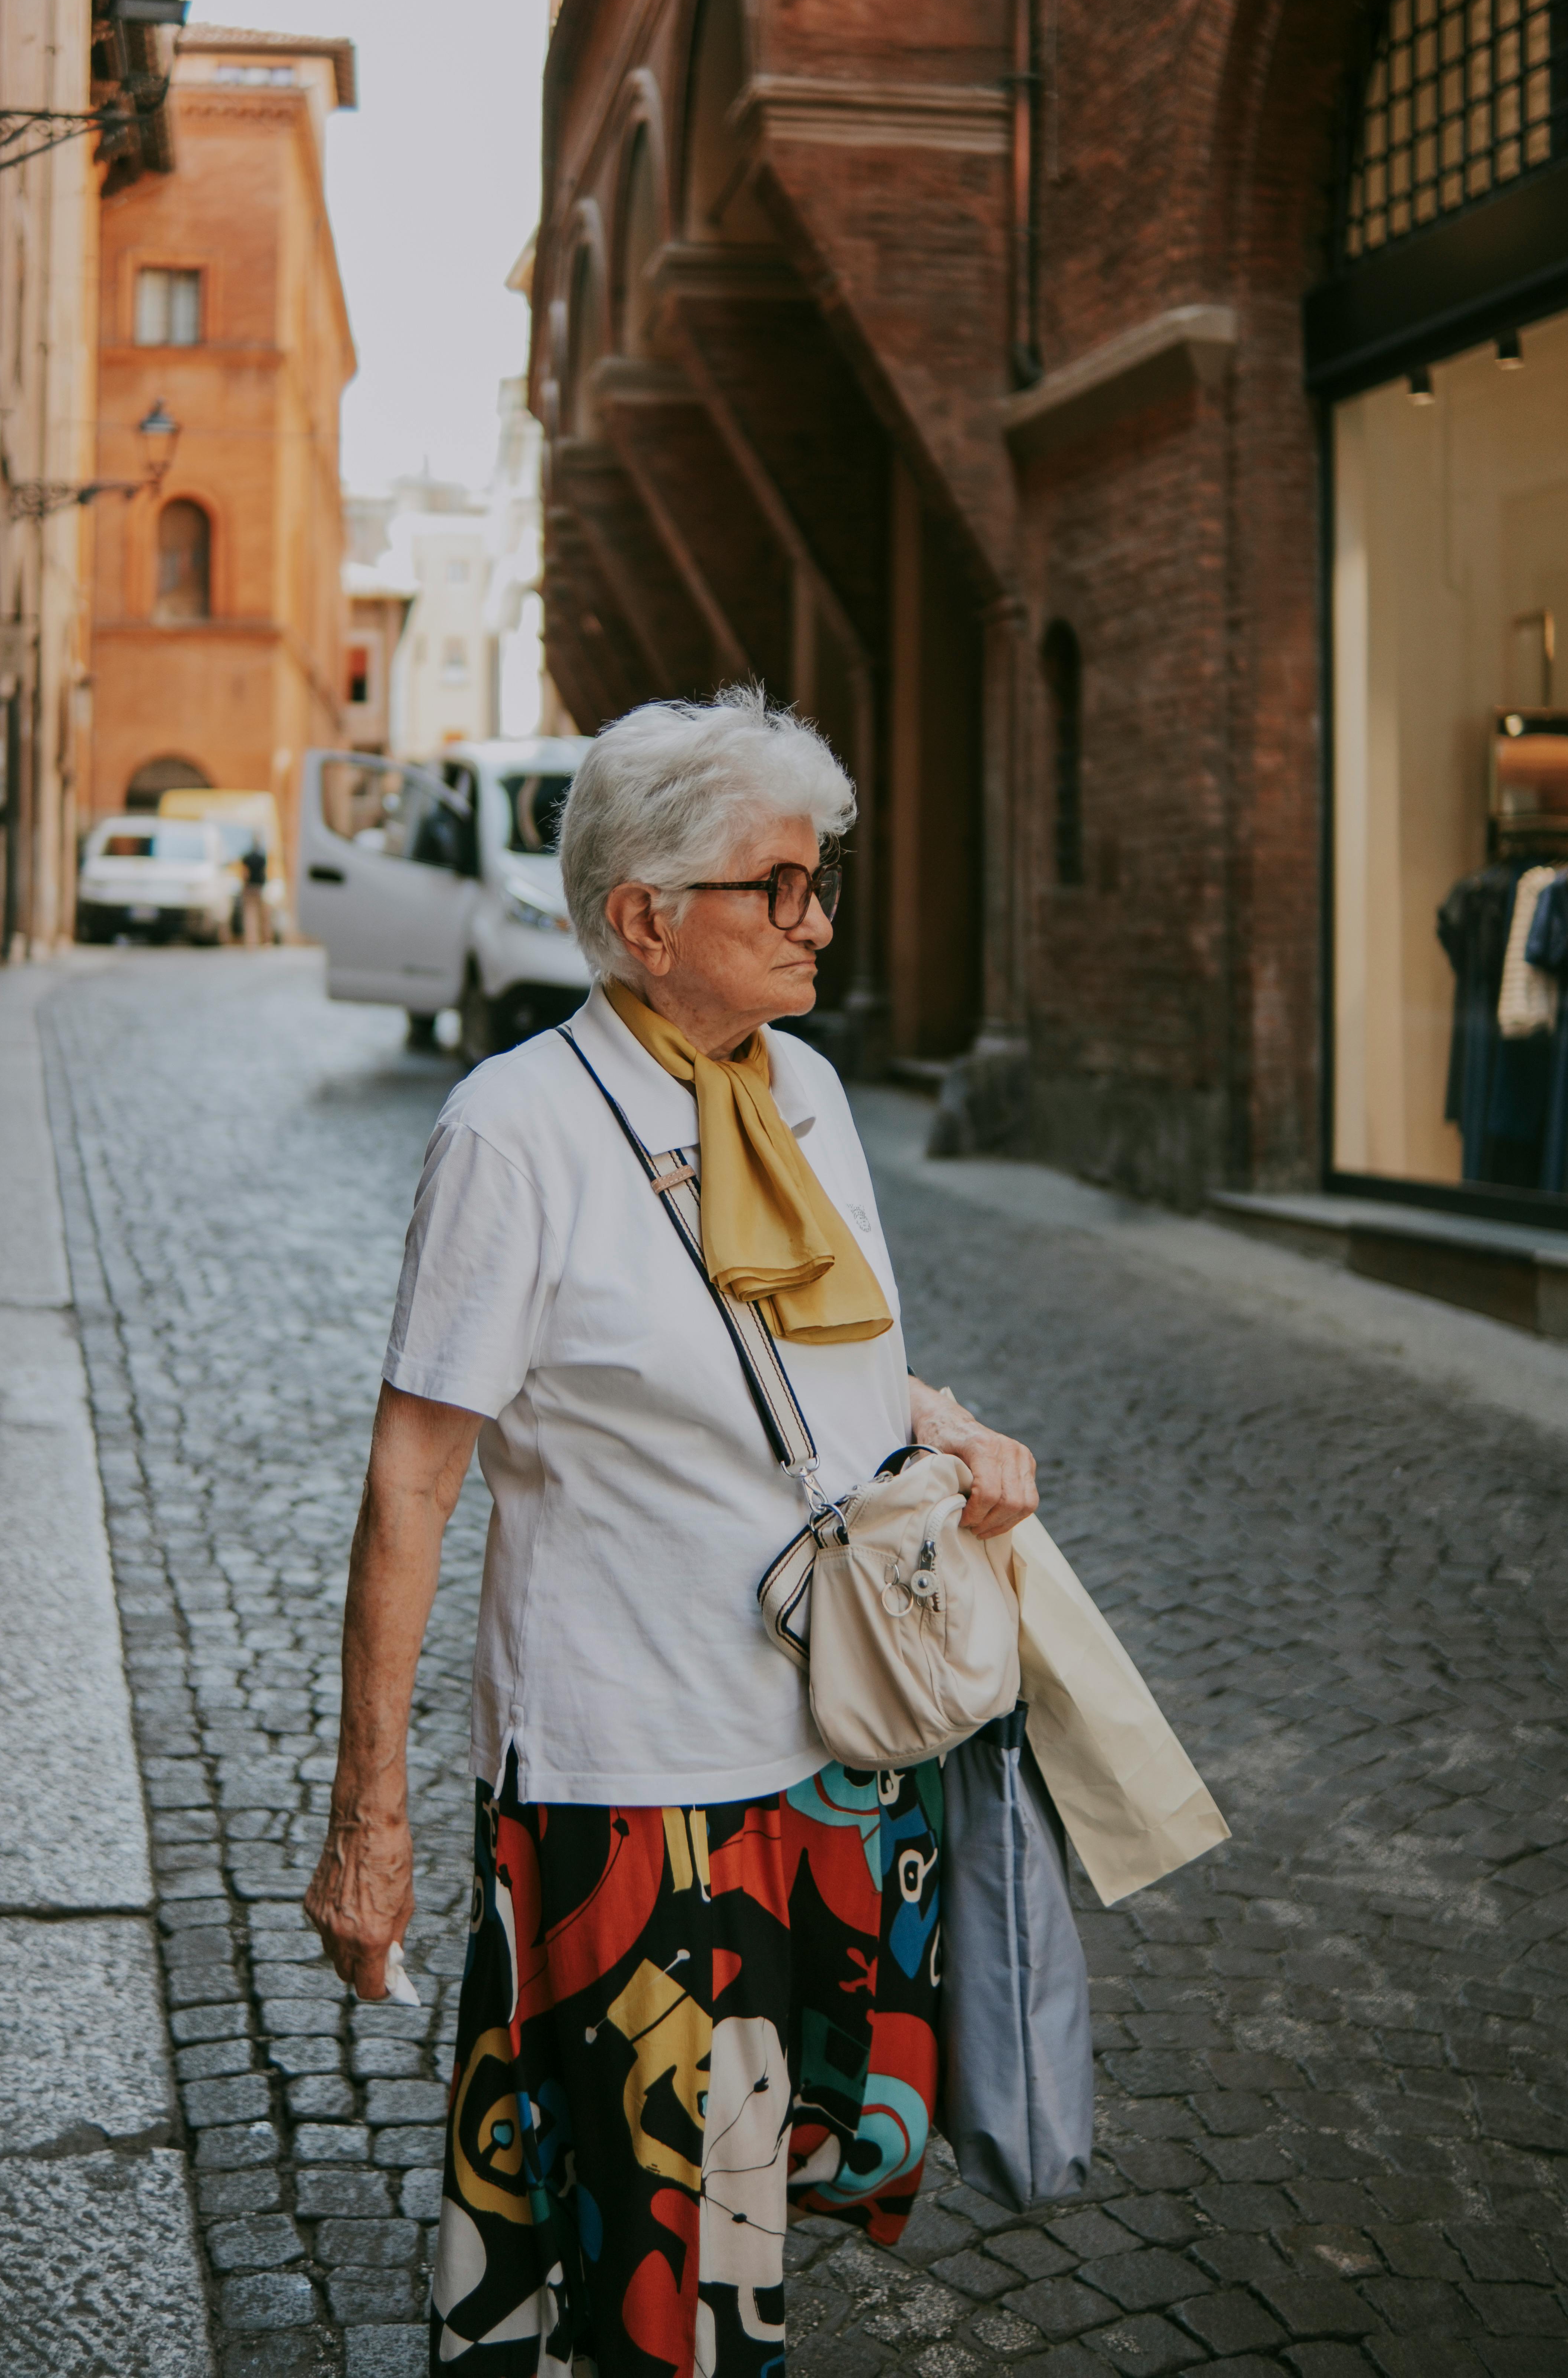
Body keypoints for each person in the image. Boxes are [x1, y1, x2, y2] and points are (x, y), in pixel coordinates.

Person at [304, 686, 1039, 2374]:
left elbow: (831, 1369)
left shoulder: (810, 1095)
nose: (817, 923)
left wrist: (950, 1429)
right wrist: (372, 1816)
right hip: (636, 1781)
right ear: (643, 919)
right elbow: (411, 1479)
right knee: (649, 2261)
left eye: (815, 881)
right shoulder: (517, 1128)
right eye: (773, 889)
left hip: (841, 1752)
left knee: (750, 2226)